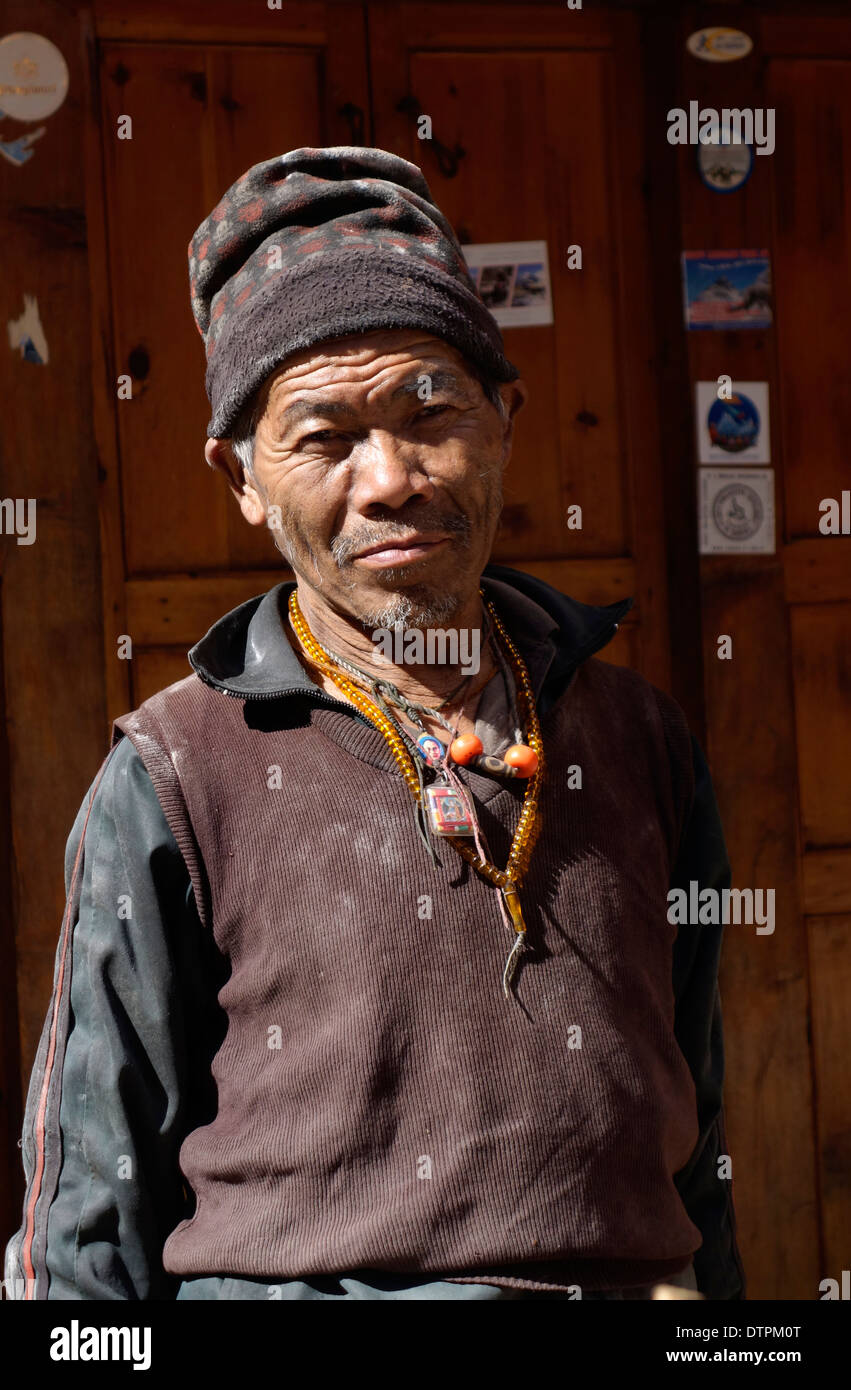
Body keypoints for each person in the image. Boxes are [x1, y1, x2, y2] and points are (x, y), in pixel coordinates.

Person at [6, 146, 745, 1301]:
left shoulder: (637, 735)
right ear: (241, 478)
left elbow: (690, 1131)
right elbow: (87, 1197)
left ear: (502, 421)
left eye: (429, 408)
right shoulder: (175, 773)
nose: (391, 476)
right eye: (324, 436)